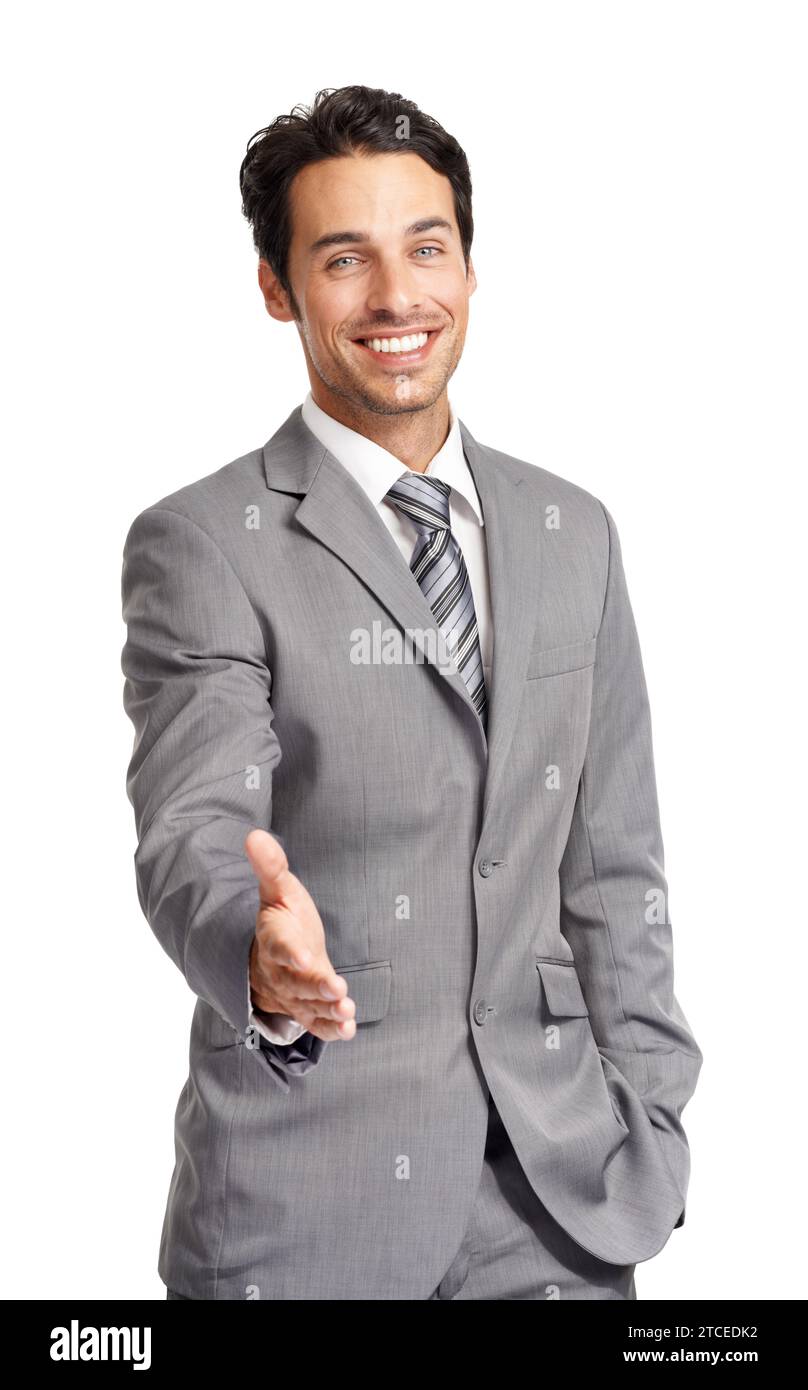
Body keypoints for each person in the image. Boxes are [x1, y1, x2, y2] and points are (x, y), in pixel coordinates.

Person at [121, 84, 702, 1301]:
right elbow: (194, 829)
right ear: (278, 287)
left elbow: (614, 864)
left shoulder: (572, 532)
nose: (396, 298)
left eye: (424, 247)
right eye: (344, 259)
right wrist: (254, 951)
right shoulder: (206, 541)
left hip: (558, 1208)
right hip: (306, 1206)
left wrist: (647, 1111)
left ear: (469, 267)